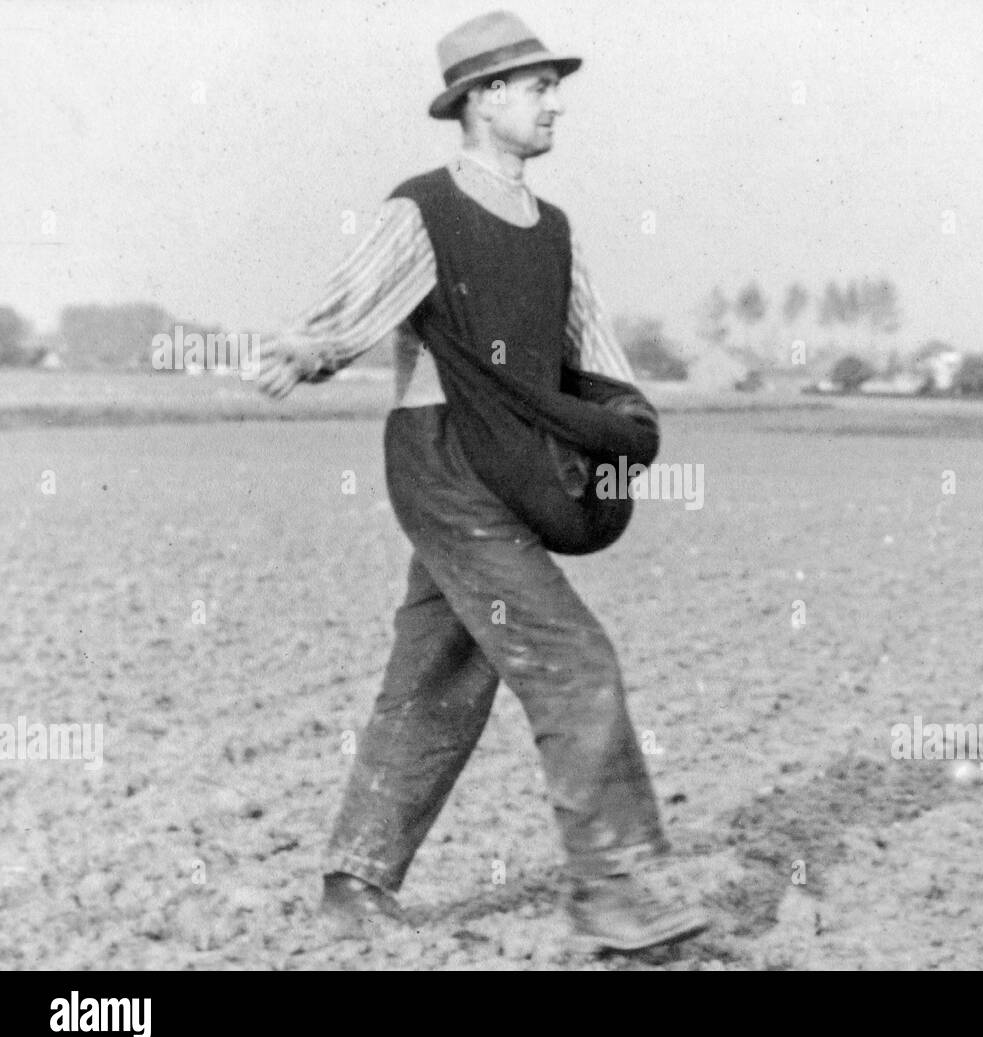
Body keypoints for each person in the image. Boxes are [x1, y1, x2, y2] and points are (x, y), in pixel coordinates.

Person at [256, 10, 708, 955]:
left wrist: (628, 420)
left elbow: (596, 353)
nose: (555, 106)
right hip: (446, 463)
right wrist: (315, 343)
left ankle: (355, 882)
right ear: (482, 98)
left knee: (441, 666)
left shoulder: (555, 231)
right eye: (539, 87)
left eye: (554, 89)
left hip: (520, 466)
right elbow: (360, 296)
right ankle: (617, 892)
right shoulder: (423, 207)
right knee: (576, 662)